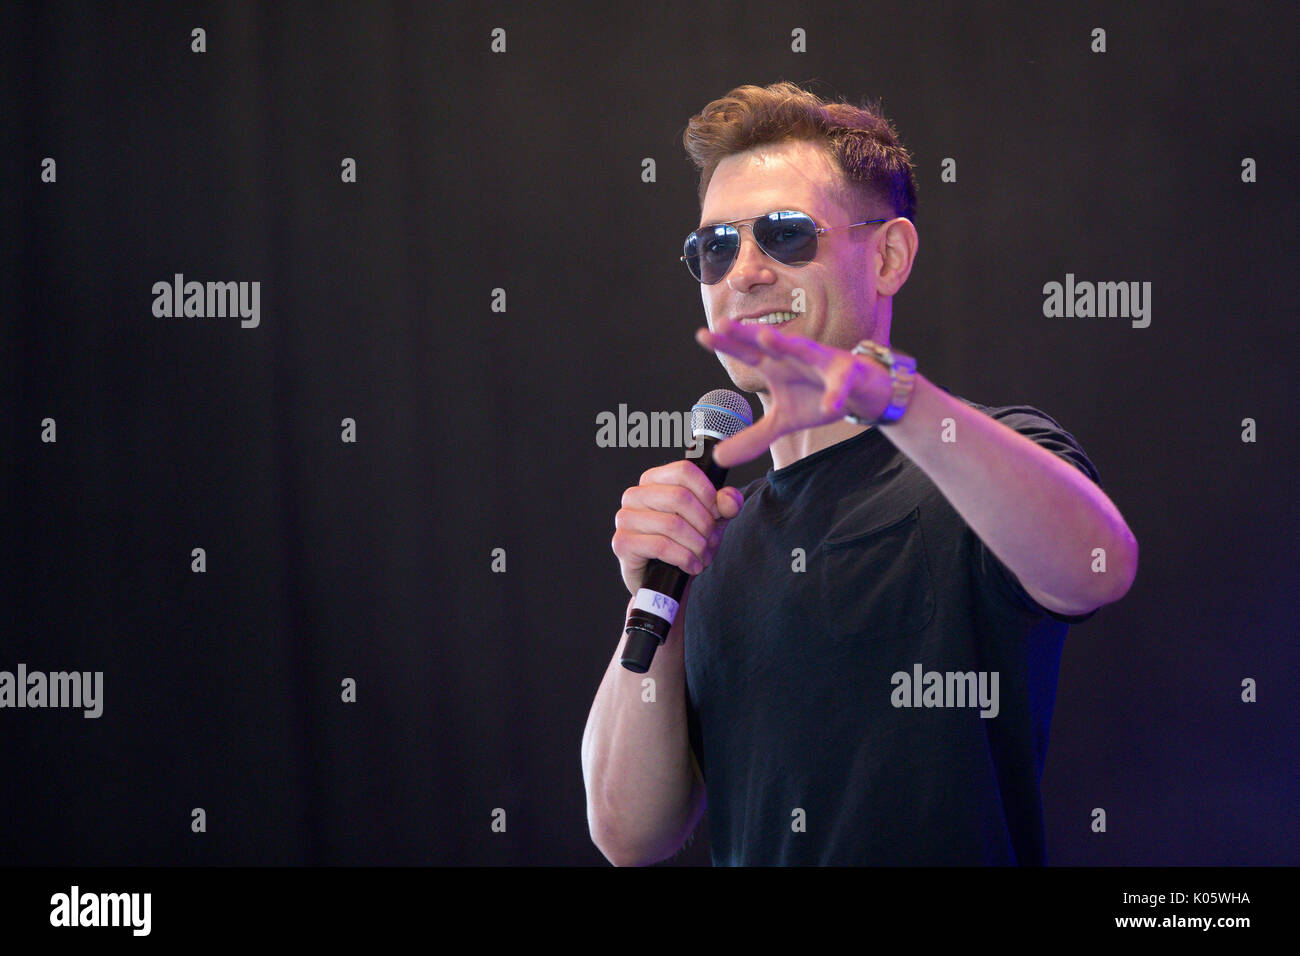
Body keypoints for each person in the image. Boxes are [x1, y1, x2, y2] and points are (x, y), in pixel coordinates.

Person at [581, 81, 1138, 866]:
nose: (742, 273)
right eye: (714, 247)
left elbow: (1098, 568)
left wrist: (899, 400)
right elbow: (627, 833)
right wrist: (655, 592)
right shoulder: (712, 531)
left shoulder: (975, 458)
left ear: (887, 256)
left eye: (784, 235)